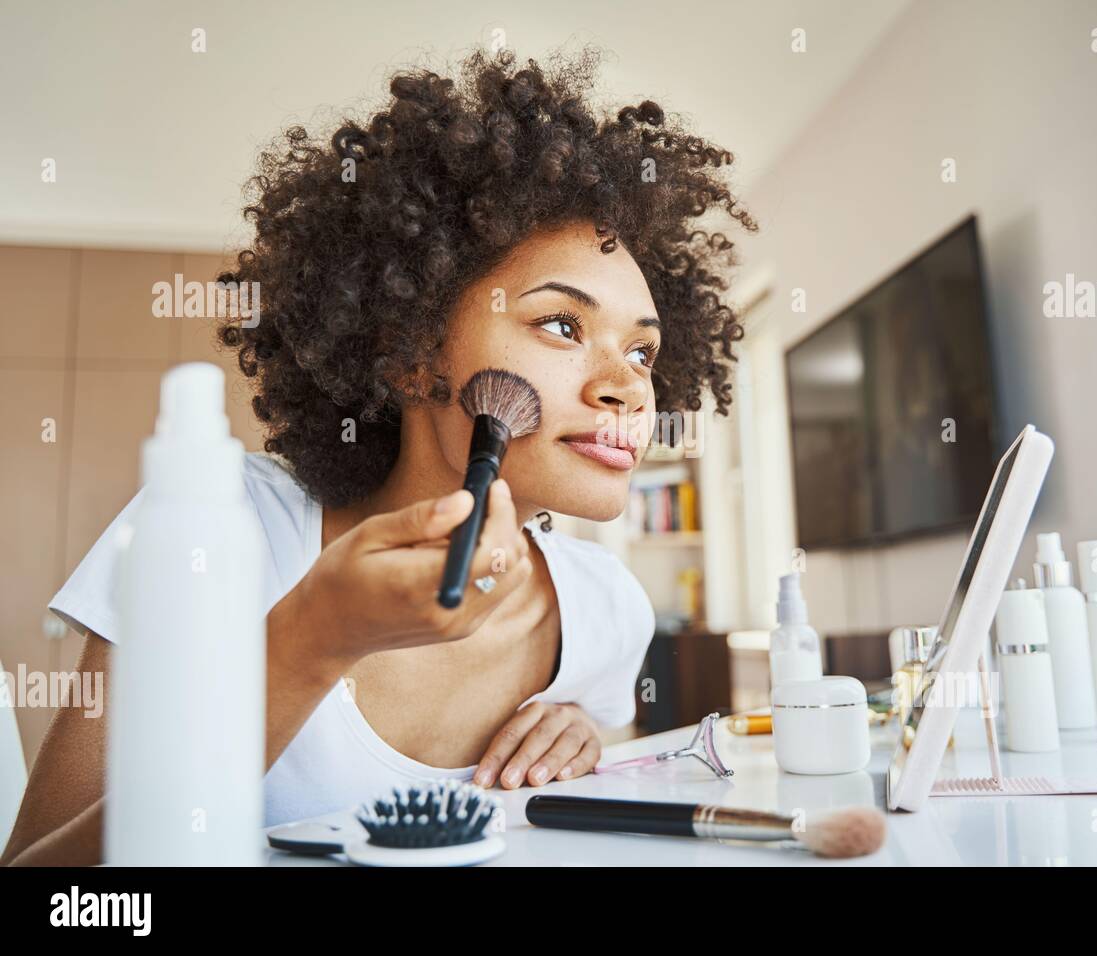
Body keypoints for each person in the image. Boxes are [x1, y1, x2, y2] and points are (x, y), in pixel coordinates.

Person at [2, 45, 755, 865]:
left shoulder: (607, 613)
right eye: (561, 326)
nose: (628, 389)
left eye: (643, 353)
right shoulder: (221, 527)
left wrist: (578, 737)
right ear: (411, 352)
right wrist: (311, 641)